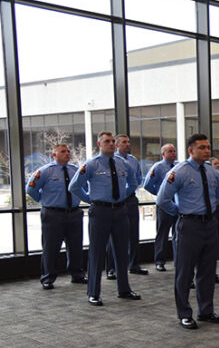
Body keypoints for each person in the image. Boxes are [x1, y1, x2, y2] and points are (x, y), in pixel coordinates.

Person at [157, 134, 219, 329]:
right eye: (202, 147)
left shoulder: (211, 171)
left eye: (208, 147)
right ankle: (184, 313)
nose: (207, 151)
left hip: (209, 225)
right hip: (189, 226)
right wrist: (180, 213)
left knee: (207, 270)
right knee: (184, 272)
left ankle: (206, 310)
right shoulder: (179, 171)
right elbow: (162, 199)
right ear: (191, 150)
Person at [69, 131, 141, 306]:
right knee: (97, 252)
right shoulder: (91, 164)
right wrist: (90, 199)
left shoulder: (123, 164)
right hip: (100, 212)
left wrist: (123, 196)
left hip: (119, 211)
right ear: (99, 144)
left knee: (122, 252)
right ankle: (93, 292)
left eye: (112, 141)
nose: (111, 144)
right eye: (107, 141)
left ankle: (124, 289)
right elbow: (75, 186)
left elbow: (133, 183)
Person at [26, 143, 86, 290]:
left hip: (74, 213)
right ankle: (48, 278)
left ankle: (77, 274)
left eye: (68, 151)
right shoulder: (45, 171)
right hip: (53, 215)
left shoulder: (75, 171)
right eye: (63, 151)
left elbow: (84, 188)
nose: (67, 154)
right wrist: (44, 202)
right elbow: (31, 189)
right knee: (51, 248)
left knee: (76, 247)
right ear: (54, 154)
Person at [106, 134, 146, 279]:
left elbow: (138, 179)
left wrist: (126, 193)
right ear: (116, 145)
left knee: (134, 234)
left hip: (129, 200)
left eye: (128, 142)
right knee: (113, 237)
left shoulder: (133, 160)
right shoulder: (111, 160)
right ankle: (111, 268)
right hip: (115, 202)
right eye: (124, 142)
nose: (127, 144)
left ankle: (134, 265)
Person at [143, 143, 178, 271]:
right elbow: (147, 185)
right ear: (163, 154)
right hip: (164, 205)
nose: (173, 153)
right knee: (162, 233)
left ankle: (178, 260)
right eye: (170, 151)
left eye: (174, 151)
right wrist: (159, 195)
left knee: (178, 234)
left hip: (178, 204)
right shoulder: (157, 167)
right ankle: (159, 261)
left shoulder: (179, 166)